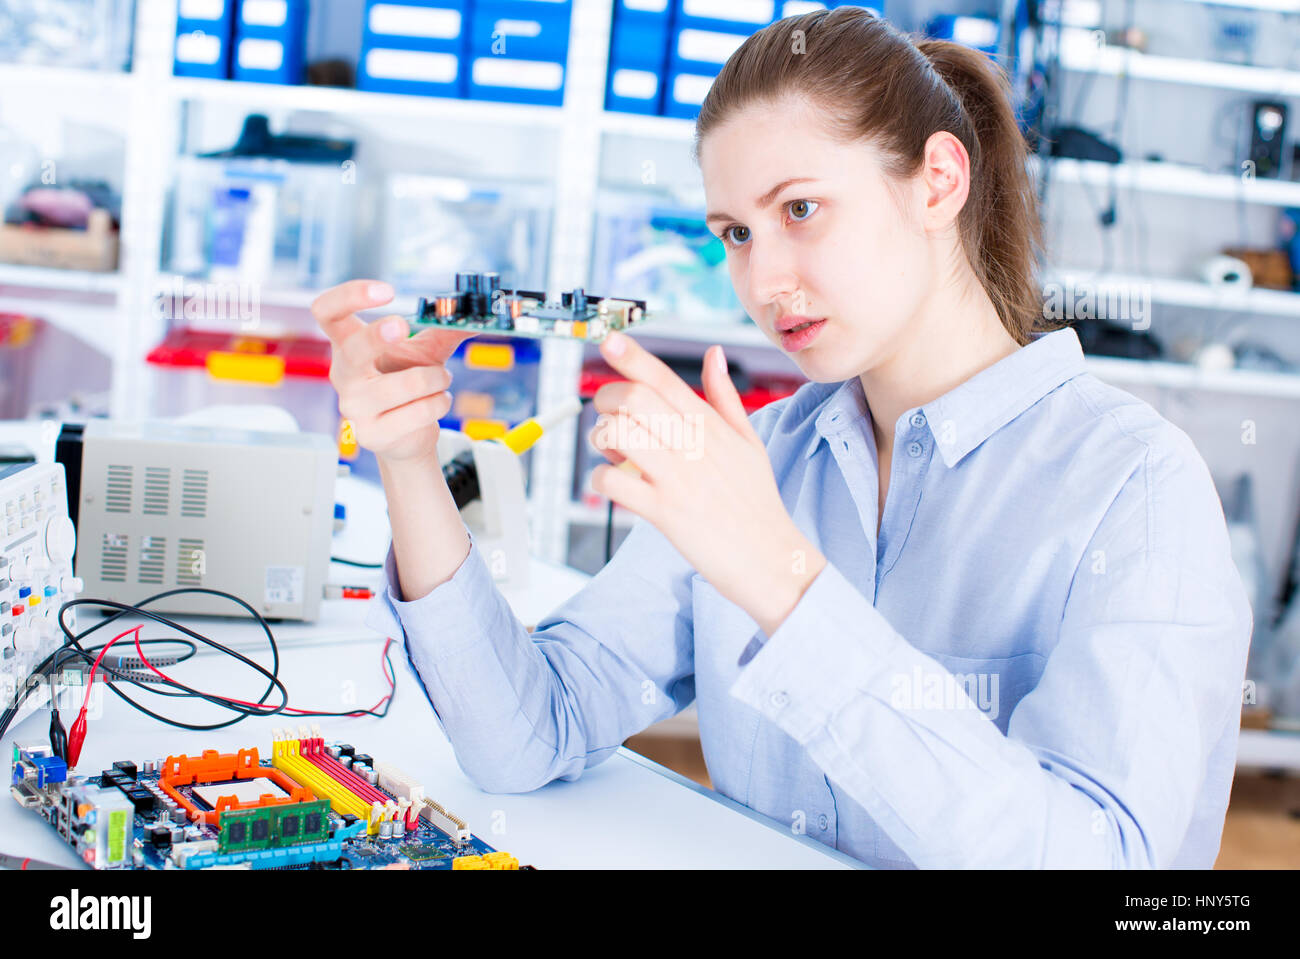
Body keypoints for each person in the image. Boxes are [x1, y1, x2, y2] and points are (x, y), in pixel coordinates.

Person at [312, 8, 1252, 868]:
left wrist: (783, 582)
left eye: (799, 209)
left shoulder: (1137, 486)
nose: (763, 283)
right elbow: (526, 735)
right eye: (735, 233)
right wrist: (409, 462)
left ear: (938, 183)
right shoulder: (763, 458)